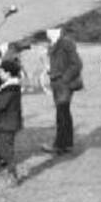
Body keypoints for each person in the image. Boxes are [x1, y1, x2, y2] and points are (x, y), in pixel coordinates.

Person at [43, 26, 83, 155]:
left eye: (49, 30)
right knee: (64, 113)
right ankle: (66, 144)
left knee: (62, 113)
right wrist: (51, 70)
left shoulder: (65, 43)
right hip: (58, 82)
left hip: (63, 84)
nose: (47, 32)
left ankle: (59, 145)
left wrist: (65, 78)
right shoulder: (54, 44)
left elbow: (77, 64)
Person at [0, 57, 24, 185]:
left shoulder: (10, 89)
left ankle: (12, 174)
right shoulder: (11, 87)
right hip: (8, 122)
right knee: (4, 148)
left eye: (1, 72)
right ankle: (11, 172)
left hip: (8, 123)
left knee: (6, 150)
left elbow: (1, 105)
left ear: (8, 73)